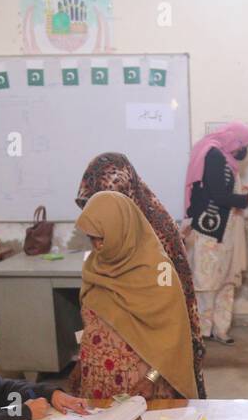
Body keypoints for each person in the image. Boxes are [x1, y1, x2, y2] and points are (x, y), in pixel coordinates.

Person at [76, 152, 206, 397]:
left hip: (144, 388)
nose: (97, 246)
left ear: (119, 229)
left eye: (102, 237)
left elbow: (173, 333)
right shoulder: (96, 267)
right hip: (100, 385)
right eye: (92, 239)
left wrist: (152, 377)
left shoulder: (157, 269)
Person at [184, 122, 248, 346]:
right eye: (244, 144)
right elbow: (220, 197)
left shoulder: (223, 157)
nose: (245, 150)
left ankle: (220, 329)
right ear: (236, 140)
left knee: (225, 280)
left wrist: (240, 192)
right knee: (206, 282)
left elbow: (220, 191)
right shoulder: (213, 155)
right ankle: (202, 331)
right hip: (210, 230)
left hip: (225, 229)